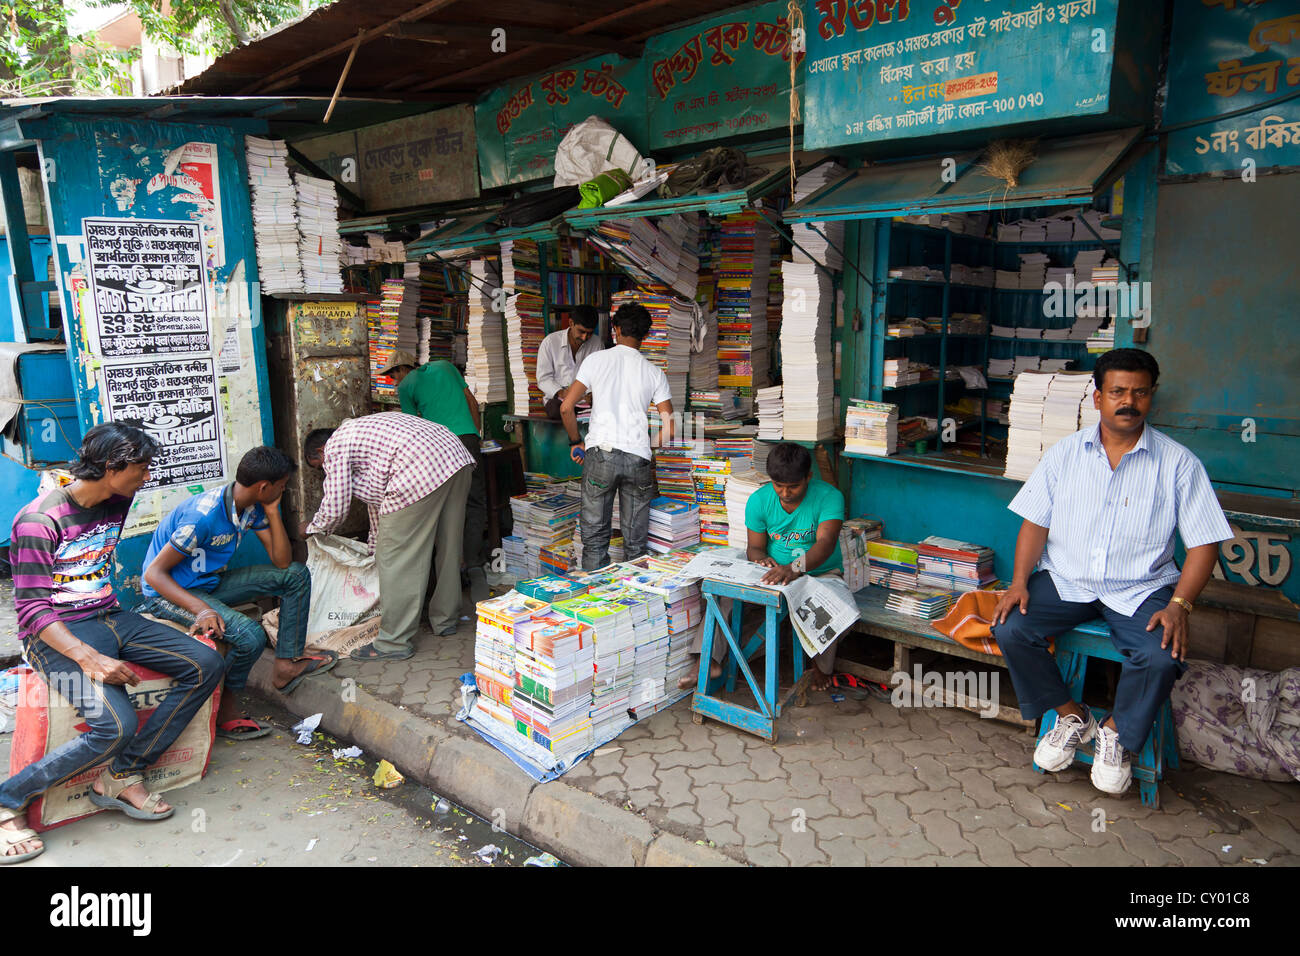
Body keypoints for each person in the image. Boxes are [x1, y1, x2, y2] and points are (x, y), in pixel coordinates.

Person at [991, 349, 1232, 795]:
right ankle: (1070, 715)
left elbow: (1204, 543)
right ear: (1098, 397)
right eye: (1118, 391)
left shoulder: (1179, 464)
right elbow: (1035, 523)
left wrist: (1180, 604)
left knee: (1161, 655)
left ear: (1151, 397)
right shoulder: (1065, 454)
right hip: (1067, 580)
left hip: (1142, 588)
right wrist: (1020, 582)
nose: (1129, 401)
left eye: (1139, 393)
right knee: (1010, 627)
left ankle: (1117, 732)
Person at [0, 424, 226, 864]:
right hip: (57, 634)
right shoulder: (38, 521)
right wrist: (89, 657)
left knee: (205, 664)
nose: (146, 478)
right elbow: (31, 611)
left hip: (111, 615)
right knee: (115, 725)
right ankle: (8, 800)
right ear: (111, 467)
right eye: (141, 469)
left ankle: (122, 775)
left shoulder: (118, 499)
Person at [138, 446, 334, 740]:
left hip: (208, 583)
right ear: (264, 487)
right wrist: (202, 610)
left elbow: (281, 561)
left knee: (295, 574)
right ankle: (225, 708)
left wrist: (272, 510)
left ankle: (286, 666)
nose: (283, 491)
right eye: (281, 487)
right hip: (168, 593)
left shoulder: (251, 507)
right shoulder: (201, 517)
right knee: (249, 635)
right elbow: (153, 575)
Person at [303, 412, 474, 662]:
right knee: (448, 546)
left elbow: (336, 505)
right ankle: (445, 620)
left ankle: (393, 642)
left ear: (321, 450)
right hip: (455, 458)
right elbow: (379, 504)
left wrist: (314, 528)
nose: (326, 472)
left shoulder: (336, 445)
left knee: (397, 558)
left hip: (419, 467)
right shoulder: (364, 436)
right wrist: (374, 546)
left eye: (321, 466)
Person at [678, 442, 846, 692]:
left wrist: (795, 567)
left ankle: (820, 667)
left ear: (808, 477)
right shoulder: (759, 500)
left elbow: (826, 542)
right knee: (724, 594)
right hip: (775, 572)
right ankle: (707, 660)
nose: (786, 493)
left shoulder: (829, 497)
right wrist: (760, 559)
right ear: (771, 480)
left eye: (794, 486)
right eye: (779, 486)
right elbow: (754, 547)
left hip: (820, 572)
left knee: (832, 607)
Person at [561, 302, 674, 569]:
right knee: (636, 545)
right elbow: (670, 427)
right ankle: (634, 600)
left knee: (595, 539)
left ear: (616, 329)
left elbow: (566, 407)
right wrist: (650, 446)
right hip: (638, 459)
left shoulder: (596, 360)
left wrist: (576, 441)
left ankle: (596, 602)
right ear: (644, 336)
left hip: (601, 455)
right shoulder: (654, 372)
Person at [383, 349, 489, 595]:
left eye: (392, 376)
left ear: (401, 370)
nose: (393, 381)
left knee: (446, 507)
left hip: (440, 448)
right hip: (468, 439)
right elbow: (471, 401)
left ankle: (453, 568)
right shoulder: (445, 366)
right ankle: (474, 563)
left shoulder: (405, 387)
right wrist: (476, 433)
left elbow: (413, 428)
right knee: (474, 503)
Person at [537, 305, 603, 420]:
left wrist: (590, 394)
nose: (584, 337)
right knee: (557, 410)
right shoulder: (550, 342)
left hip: (585, 401)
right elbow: (543, 378)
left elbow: (599, 376)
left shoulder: (597, 343)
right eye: (581, 332)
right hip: (558, 400)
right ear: (571, 323)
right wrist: (561, 393)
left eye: (589, 333)